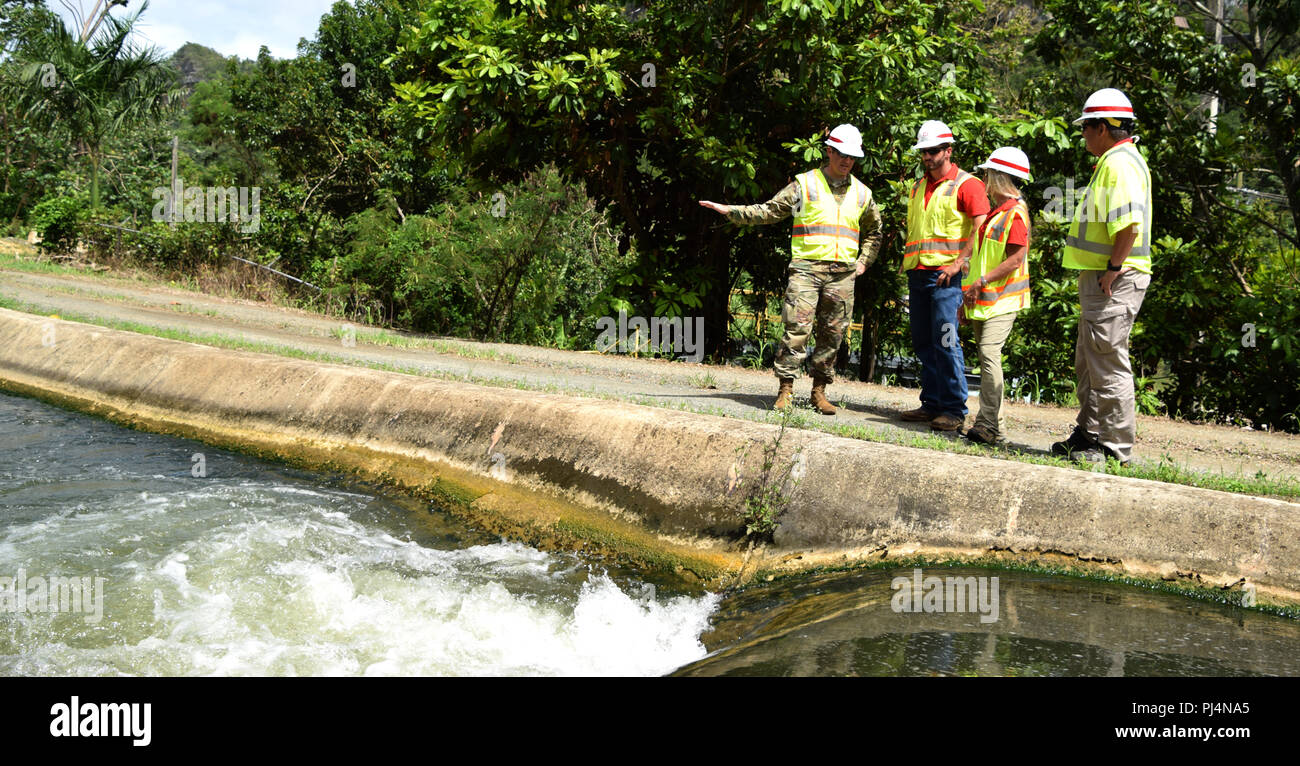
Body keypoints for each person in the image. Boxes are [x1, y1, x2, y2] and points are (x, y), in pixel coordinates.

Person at [699, 124, 882, 415]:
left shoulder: (862, 193)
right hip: (806, 270)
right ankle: (785, 390)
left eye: (852, 156)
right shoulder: (805, 185)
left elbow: (875, 232)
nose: (847, 161)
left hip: (843, 274)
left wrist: (863, 262)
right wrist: (731, 210)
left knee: (833, 334)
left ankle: (819, 392)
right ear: (829, 151)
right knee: (796, 329)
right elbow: (770, 211)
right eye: (842, 154)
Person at [1051, 88, 1152, 467]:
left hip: (1114, 279)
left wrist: (1112, 270)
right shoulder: (1117, 161)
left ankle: (1113, 447)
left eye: (1086, 127)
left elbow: (1128, 227)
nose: (1083, 135)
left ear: (1104, 127)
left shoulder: (1119, 164)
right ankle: (1090, 434)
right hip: (1104, 278)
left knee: (1107, 361)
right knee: (1090, 359)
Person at [897, 120, 989, 431]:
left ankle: (953, 408)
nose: (927, 157)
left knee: (946, 340)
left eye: (933, 151)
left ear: (948, 151)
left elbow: (981, 229)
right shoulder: (917, 187)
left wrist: (959, 263)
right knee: (924, 341)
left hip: (948, 278)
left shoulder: (968, 185)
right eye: (924, 151)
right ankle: (932, 403)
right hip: (919, 274)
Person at [961, 147, 1033, 446]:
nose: (985, 179)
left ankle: (988, 424)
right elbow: (982, 257)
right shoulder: (997, 213)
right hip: (986, 298)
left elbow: (1016, 259)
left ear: (999, 177)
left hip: (1002, 299)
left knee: (990, 357)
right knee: (986, 357)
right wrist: (971, 290)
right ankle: (995, 427)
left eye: (988, 174)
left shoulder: (1015, 213)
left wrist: (982, 282)